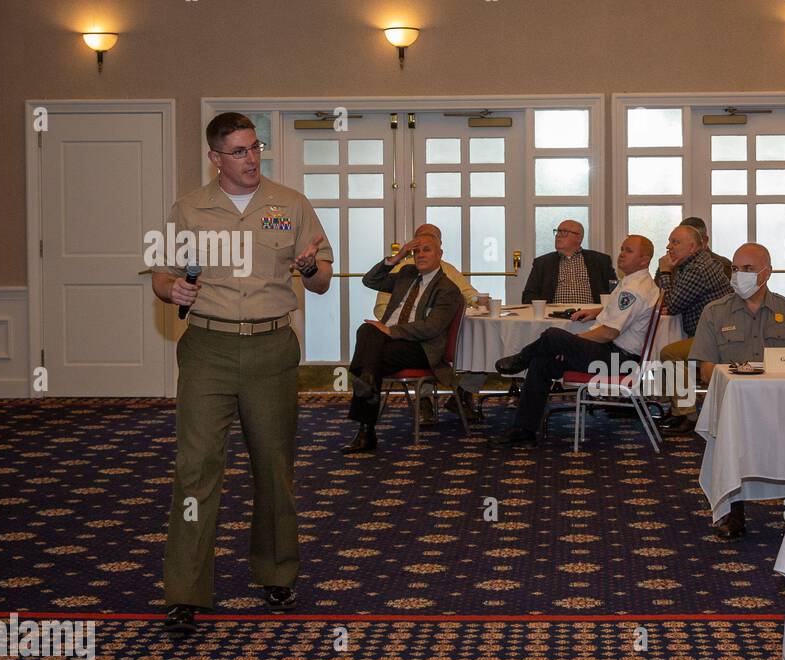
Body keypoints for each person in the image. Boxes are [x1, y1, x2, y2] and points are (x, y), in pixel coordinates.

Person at [151, 113, 333, 633]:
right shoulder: (188, 209)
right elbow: (162, 275)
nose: (252, 159)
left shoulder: (290, 203)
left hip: (271, 346)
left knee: (273, 466)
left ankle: (277, 573)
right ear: (215, 158)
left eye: (256, 148)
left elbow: (321, 279)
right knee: (196, 467)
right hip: (207, 347)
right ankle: (185, 589)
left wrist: (308, 268)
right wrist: (172, 290)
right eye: (239, 151)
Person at [688, 243, 785, 538]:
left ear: (766, 273)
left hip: (784, 404)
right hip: (735, 403)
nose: (738, 275)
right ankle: (732, 509)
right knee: (731, 433)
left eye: (746, 269)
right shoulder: (714, 313)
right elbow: (706, 370)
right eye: (734, 268)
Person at [489, 236, 659, 446]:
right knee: (541, 363)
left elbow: (608, 333)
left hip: (618, 360)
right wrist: (597, 311)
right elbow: (620, 313)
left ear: (644, 260)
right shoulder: (636, 282)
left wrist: (573, 343)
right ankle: (524, 429)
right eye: (622, 248)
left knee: (554, 336)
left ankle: (520, 360)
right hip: (614, 354)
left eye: (629, 251)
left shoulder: (634, 290)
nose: (622, 253)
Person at [341, 233, 466, 454]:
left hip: (421, 348)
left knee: (371, 353)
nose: (420, 255)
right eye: (416, 251)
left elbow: (432, 328)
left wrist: (391, 330)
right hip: (387, 343)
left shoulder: (447, 289)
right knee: (367, 331)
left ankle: (365, 429)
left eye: (426, 249)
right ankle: (368, 381)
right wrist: (397, 257)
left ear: (440, 254)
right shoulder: (407, 274)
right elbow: (370, 280)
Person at [654, 225, 733, 436]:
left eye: (675, 242)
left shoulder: (697, 269)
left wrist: (664, 272)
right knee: (671, 347)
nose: (669, 247)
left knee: (670, 353)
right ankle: (676, 409)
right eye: (670, 241)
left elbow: (672, 303)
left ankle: (688, 415)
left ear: (692, 246)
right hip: (710, 333)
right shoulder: (692, 264)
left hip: (720, 338)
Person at [520, 220, 617, 304]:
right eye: (557, 232)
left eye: (564, 232)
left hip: (591, 317)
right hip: (553, 317)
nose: (558, 235)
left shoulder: (600, 260)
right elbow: (528, 295)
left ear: (578, 237)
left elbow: (615, 292)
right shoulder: (542, 263)